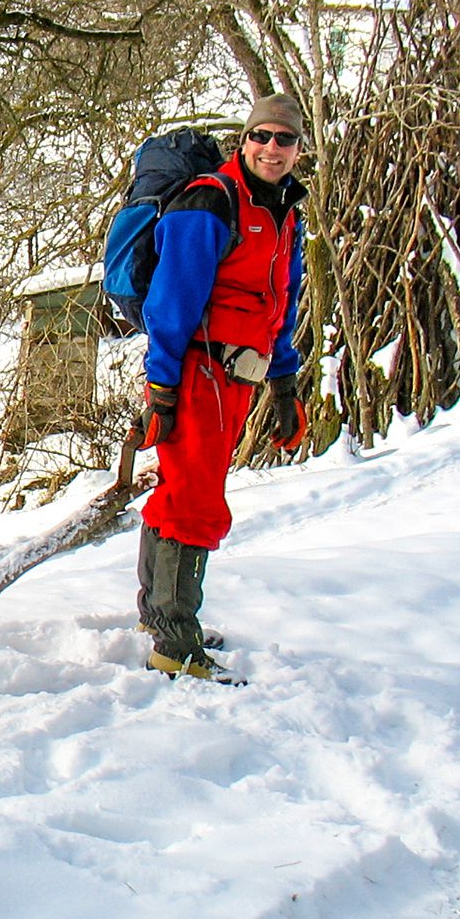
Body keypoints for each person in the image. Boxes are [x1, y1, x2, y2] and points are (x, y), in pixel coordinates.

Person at [134, 93, 311, 684]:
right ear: (245, 139)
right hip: (197, 372)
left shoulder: (286, 212)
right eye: (263, 136)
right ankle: (174, 642)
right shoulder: (211, 200)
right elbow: (171, 302)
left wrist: (283, 382)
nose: (272, 148)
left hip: (239, 377)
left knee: (183, 490)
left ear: (298, 149)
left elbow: (279, 304)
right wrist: (162, 385)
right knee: (195, 501)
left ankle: (158, 615)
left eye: (285, 140)